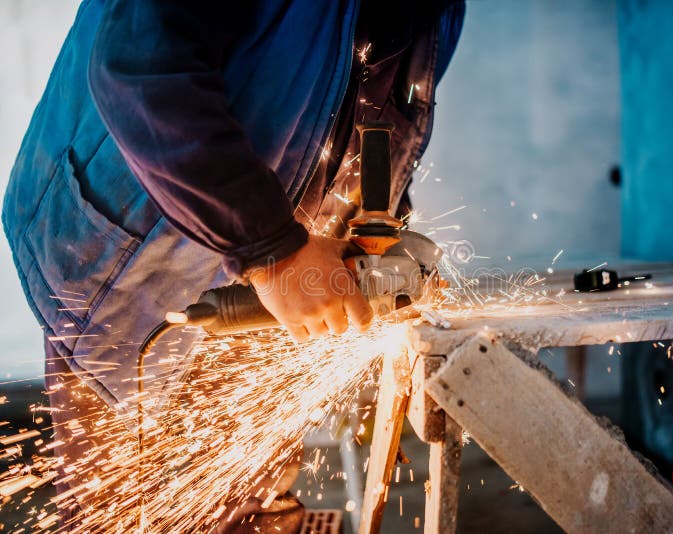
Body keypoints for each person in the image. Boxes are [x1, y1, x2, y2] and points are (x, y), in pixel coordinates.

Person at [2, 1, 464, 531]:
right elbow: (141, 70)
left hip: (288, 269)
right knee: (115, 514)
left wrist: (379, 225)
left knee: (257, 506)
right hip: (132, 261)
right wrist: (273, 250)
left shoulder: (440, 8)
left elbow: (376, 112)